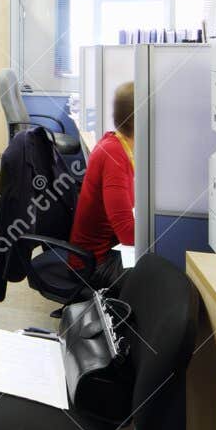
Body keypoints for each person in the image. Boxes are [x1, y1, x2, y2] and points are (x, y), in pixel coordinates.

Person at [70, 80, 136, 287]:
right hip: (94, 264)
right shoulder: (114, 156)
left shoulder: (116, 144)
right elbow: (127, 233)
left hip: (104, 252)